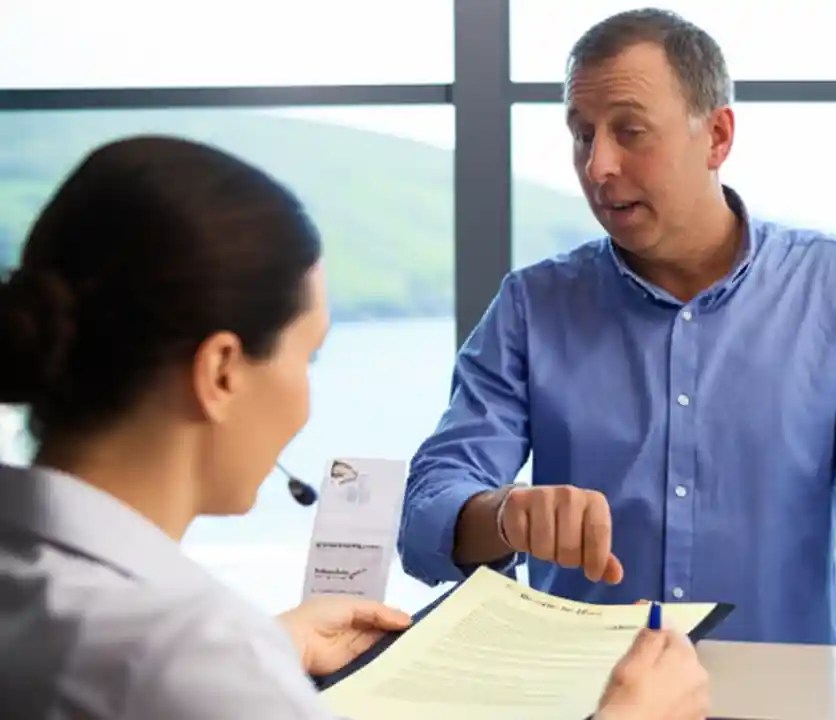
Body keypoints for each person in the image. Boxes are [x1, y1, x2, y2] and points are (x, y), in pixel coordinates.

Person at [399, 8, 836, 672]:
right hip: (589, 702)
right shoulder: (532, 305)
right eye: (581, 135)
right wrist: (505, 515)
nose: (599, 166)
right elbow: (431, 506)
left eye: (630, 131)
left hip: (785, 702)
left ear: (718, 135)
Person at [0, 135, 709, 719]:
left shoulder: (106, 621)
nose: (305, 401)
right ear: (220, 372)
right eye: (308, 356)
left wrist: (267, 646)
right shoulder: (188, 661)